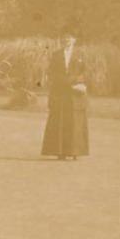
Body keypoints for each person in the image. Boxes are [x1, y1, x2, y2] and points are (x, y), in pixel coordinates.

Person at [41, 30, 89, 160]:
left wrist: (77, 82)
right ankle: (60, 152)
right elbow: (52, 72)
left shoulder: (81, 54)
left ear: (74, 39)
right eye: (64, 38)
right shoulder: (56, 55)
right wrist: (65, 82)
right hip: (60, 92)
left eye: (69, 38)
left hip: (75, 93)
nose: (66, 40)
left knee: (74, 122)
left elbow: (86, 72)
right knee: (60, 121)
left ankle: (75, 152)